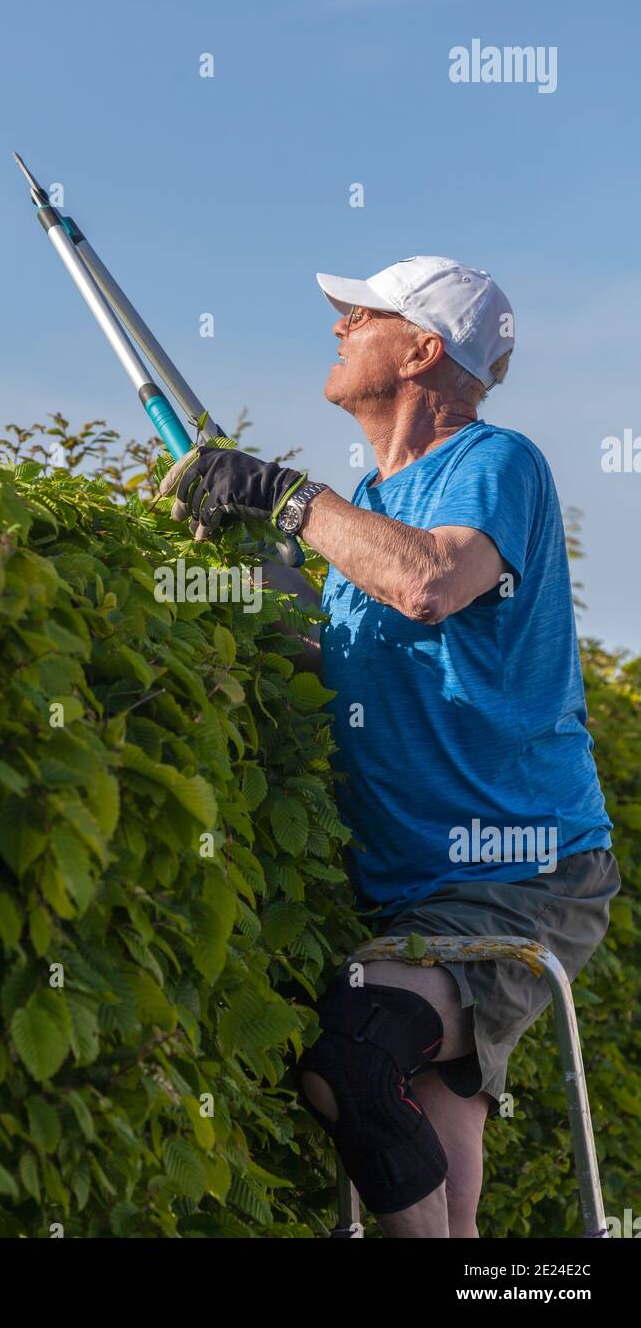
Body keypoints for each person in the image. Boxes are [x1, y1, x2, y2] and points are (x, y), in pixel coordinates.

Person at [159, 256, 618, 1237]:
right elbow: (343, 654)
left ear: (421, 349)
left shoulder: (493, 463)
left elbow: (428, 584)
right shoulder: (367, 506)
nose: (336, 329)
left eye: (358, 314)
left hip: (521, 868)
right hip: (413, 884)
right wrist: (236, 590)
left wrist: (286, 498)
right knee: (429, 1127)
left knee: (354, 1052)